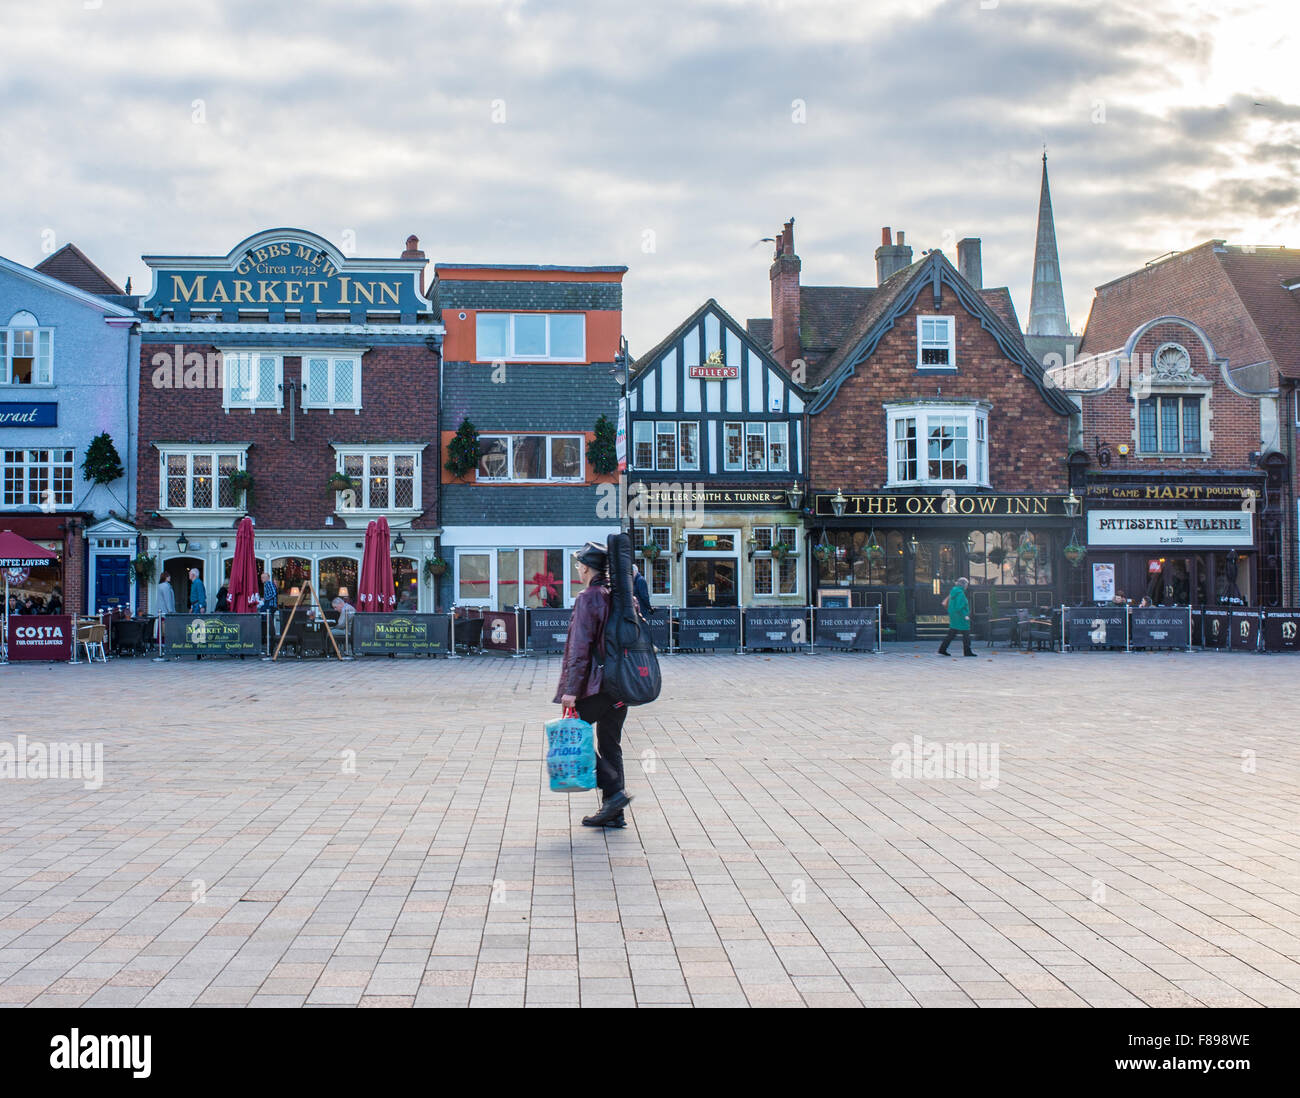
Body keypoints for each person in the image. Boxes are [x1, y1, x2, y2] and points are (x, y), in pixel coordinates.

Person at [554, 540, 632, 829]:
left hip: (597, 685)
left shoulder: (589, 597)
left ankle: (614, 793)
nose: (577, 569)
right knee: (610, 744)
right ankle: (615, 813)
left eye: (578, 565)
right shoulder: (623, 596)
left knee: (573, 736)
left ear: (586, 568)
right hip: (622, 683)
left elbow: (579, 647)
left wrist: (570, 690)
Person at [938, 576, 975, 657]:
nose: (967, 586)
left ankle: (942, 649)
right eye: (966, 584)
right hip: (961, 617)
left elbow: (951, 605)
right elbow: (960, 606)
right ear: (964, 585)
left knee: (951, 634)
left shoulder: (953, 592)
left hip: (954, 617)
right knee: (966, 635)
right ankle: (967, 651)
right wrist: (966, 615)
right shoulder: (961, 593)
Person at [155, 571, 177, 643]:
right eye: (168, 576)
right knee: (165, 628)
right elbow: (167, 599)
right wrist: (170, 610)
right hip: (165, 611)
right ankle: (164, 643)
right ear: (165, 577)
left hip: (161, 610)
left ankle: (160, 642)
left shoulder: (160, 586)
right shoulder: (166, 586)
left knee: (161, 628)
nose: (170, 577)